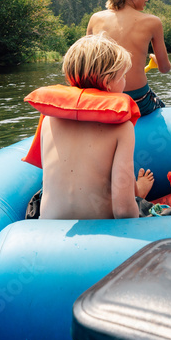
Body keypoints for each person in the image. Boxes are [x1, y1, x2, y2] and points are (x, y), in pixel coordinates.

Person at [34, 33, 154, 220]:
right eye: (123, 76)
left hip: (49, 227)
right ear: (108, 83)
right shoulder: (121, 128)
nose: (125, 82)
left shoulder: (49, 118)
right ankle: (140, 191)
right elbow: (123, 211)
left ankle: (138, 190)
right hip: (100, 233)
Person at [87, 0, 171, 116]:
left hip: (105, 100)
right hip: (138, 101)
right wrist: (158, 62)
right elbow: (165, 69)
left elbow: (87, 67)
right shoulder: (153, 22)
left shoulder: (95, 19)